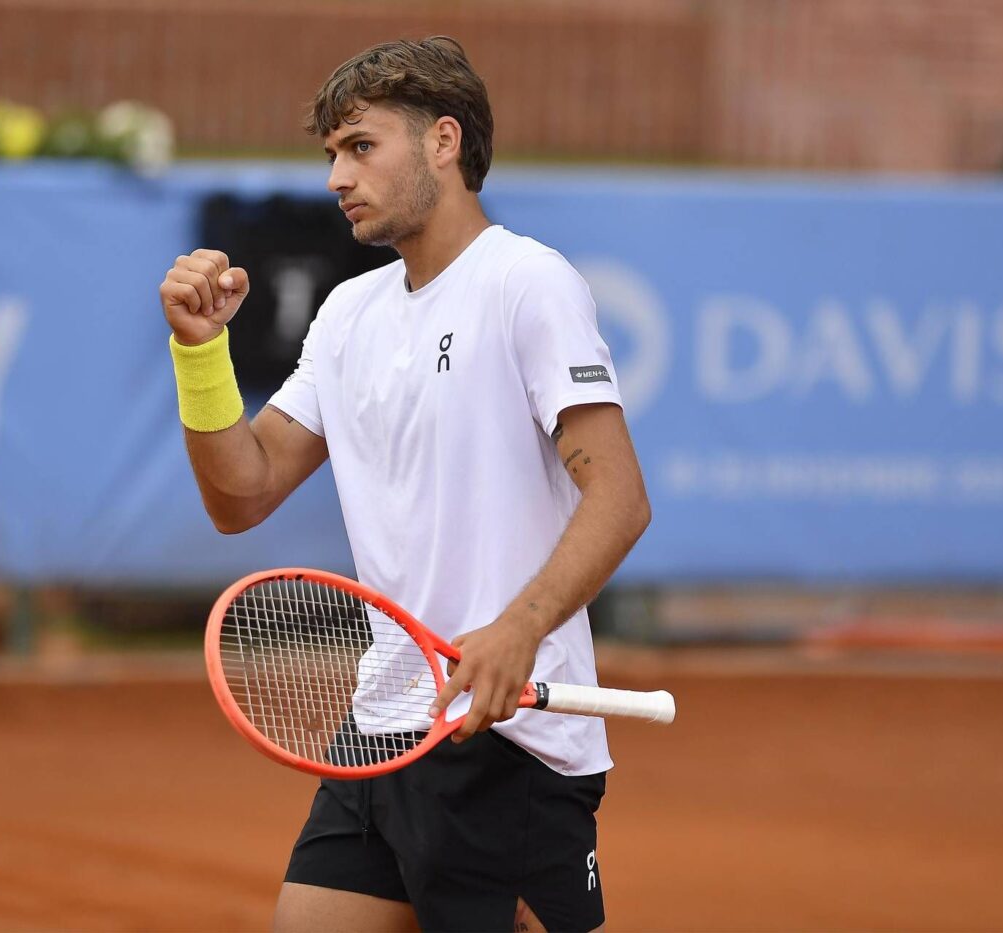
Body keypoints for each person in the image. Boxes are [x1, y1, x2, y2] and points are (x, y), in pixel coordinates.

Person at [160, 36, 650, 933]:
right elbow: (243, 493)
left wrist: (516, 629)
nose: (338, 178)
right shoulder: (349, 313)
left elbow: (619, 496)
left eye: (361, 146)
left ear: (443, 143)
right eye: (331, 155)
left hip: (507, 743)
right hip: (382, 726)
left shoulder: (526, 284)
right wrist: (201, 353)